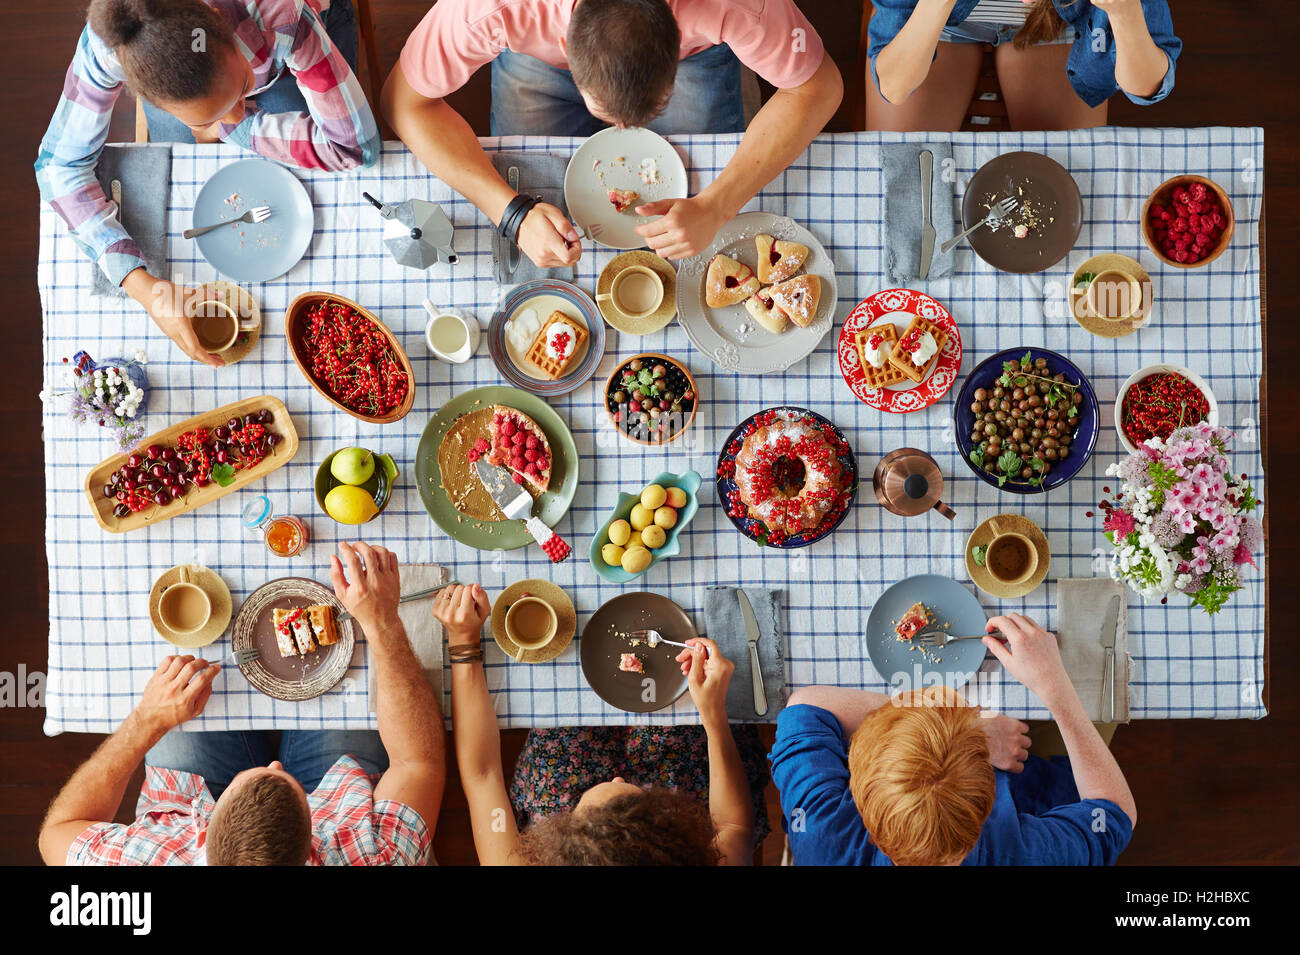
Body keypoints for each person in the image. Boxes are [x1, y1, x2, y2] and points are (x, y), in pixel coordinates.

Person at [38, 543, 444, 865]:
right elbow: (418, 762)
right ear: (311, 847)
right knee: (358, 684)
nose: (274, 764)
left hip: (180, 798)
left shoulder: (141, 861)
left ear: (205, 830)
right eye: (280, 774)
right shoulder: (374, 858)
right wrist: (382, 622)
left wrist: (148, 720)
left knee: (179, 658)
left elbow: (57, 831)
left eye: (257, 776)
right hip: (343, 797)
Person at [35, 0, 380, 368]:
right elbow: (59, 166)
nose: (231, 113)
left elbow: (355, 148)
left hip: (288, 45)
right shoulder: (110, 46)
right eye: (208, 114)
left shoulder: (283, 15)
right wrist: (143, 287)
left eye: (242, 86)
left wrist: (234, 126)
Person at [382, 0, 843, 270]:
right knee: (526, 178)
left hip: (700, 58)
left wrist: (717, 206)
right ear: (564, 44)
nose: (622, 131)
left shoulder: (738, 5)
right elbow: (401, 102)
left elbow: (820, 87)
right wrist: (509, 213)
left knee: (706, 176)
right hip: (533, 59)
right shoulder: (487, 9)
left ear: (678, 34)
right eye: (607, 114)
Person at [769, 612, 1137, 865]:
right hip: (1044, 791)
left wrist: (968, 729)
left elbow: (805, 706)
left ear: (862, 788)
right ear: (990, 796)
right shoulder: (1027, 854)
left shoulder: (820, 831)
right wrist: (1055, 688)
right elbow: (1116, 813)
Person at [435, 583, 761, 865]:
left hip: (564, 778)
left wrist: (463, 642)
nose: (618, 777)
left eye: (584, 810)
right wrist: (713, 713)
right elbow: (733, 827)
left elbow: (482, 774)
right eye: (636, 793)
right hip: (684, 777)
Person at [866, 0, 1180, 131]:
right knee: (899, 170)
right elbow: (894, 86)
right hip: (944, 21)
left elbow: (1147, 86)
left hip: (1056, 25)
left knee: (1062, 175)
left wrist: (1125, 14)